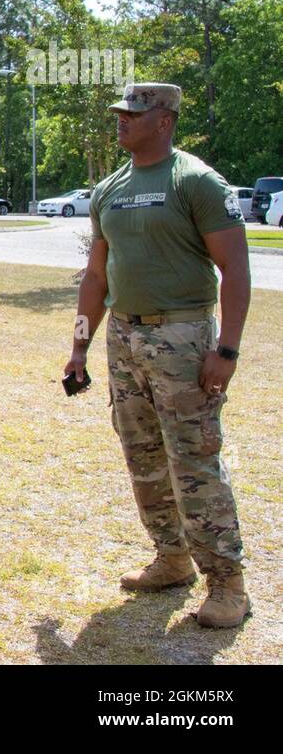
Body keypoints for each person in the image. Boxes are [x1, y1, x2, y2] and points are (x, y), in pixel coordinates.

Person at [66, 83, 251, 628]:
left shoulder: (196, 181)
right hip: (124, 338)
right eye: (120, 113)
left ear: (164, 120)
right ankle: (172, 558)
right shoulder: (110, 188)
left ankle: (228, 584)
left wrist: (228, 350)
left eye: (134, 114)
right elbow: (96, 277)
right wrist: (79, 346)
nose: (122, 121)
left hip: (184, 338)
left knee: (194, 459)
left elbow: (236, 272)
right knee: (142, 454)